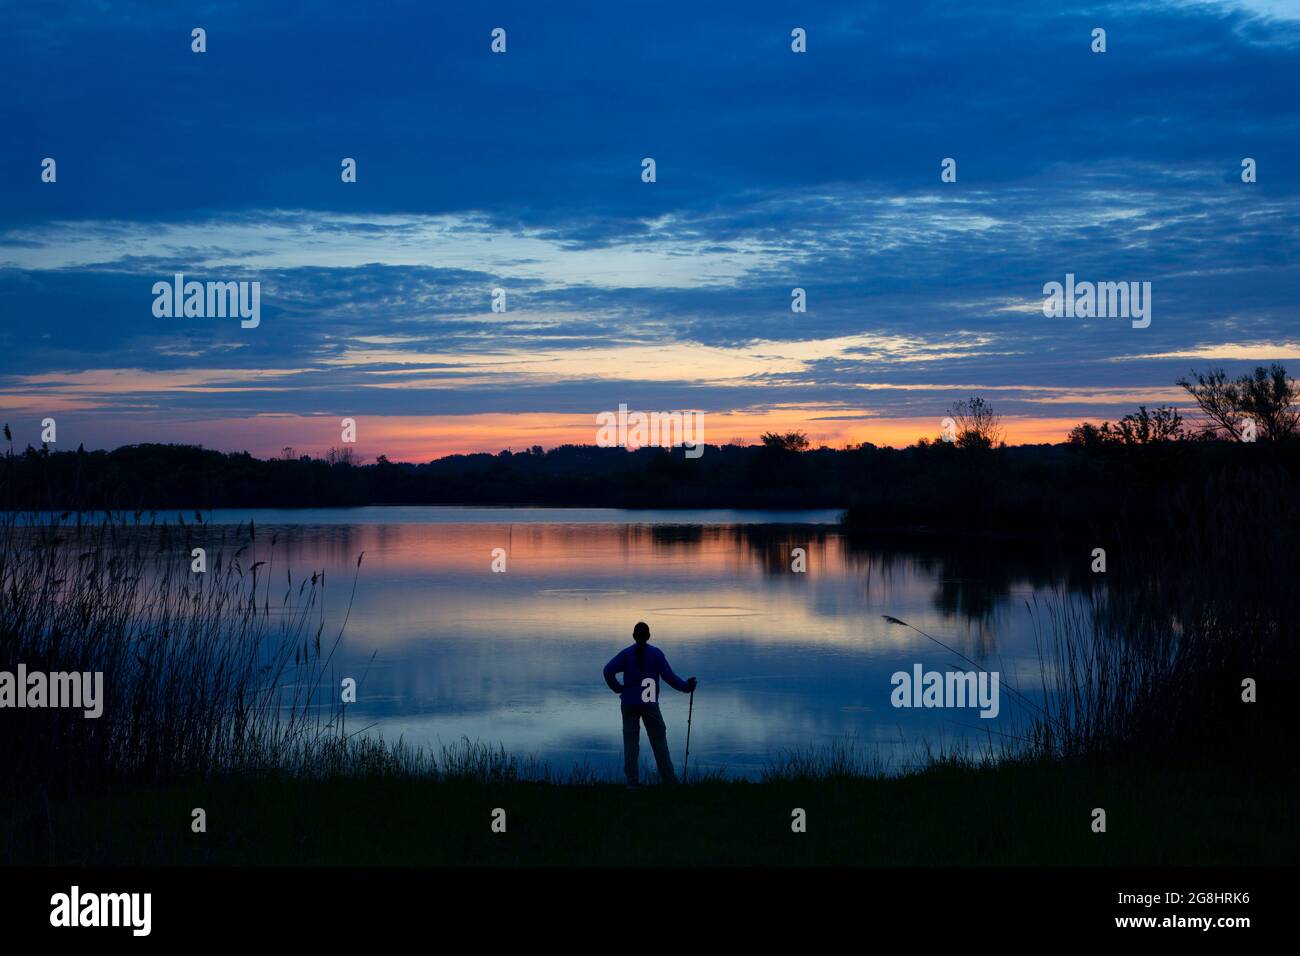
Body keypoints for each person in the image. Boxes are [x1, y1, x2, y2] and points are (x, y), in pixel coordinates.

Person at [603, 621, 697, 787]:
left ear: (633, 636)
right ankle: (669, 781)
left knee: (631, 743)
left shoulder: (626, 654)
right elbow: (669, 677)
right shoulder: (655, 654)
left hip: (629, 701)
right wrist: (686, 688)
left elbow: (608, 671)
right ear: (648, 636)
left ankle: (632, 783)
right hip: (649, 700)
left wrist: (618, 689)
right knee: (658, 739)